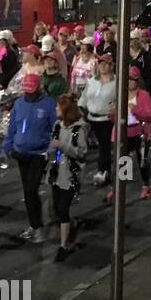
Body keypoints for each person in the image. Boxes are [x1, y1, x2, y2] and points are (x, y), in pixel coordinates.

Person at [2, 73, 57, 242]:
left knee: (32, 190)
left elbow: (57, 128)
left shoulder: (48, 105)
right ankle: (34, 225)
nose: (28, 94)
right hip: (20, 153)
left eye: (31, 91)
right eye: (26, 90)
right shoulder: (19, 103)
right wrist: (5, 149)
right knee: (28, 191)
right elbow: (12, 128)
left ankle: (38, 226)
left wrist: (55, 152)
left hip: (39, 154)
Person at [46, 94, 88, 261]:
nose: (55, 109)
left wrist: (63, 146)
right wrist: (50, 151)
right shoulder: (57, 125)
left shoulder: (79, 129)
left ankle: (63, 246)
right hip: (57, 173)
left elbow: (82, 153)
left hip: (71, 174)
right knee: (55, 209)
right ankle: (70, 227)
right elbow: (54, 147)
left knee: (62, 209)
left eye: (58, 106)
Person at [109, 66, 151, 205]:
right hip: (124, 132)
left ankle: (145, 185)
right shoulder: (121, 93)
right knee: (123, 161)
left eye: (132, 79)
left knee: (142, 161)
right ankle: (121, 189)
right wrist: (111, 114)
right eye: (127, 79)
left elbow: (149, 115)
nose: (129, 82)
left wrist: (136, 111)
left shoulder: (143, 95)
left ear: (137, 80)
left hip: (139, 133)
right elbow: (114, 116)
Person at [82, 53, 117, 187]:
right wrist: (80, 109)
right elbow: (84, 97)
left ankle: (103, 171)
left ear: (111, 66)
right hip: (90, 117)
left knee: (104, 146)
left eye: (105, 63)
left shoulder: (116, 83)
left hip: (105, 119)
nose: (102, 66)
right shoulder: (92, 81)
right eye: (100, 63)